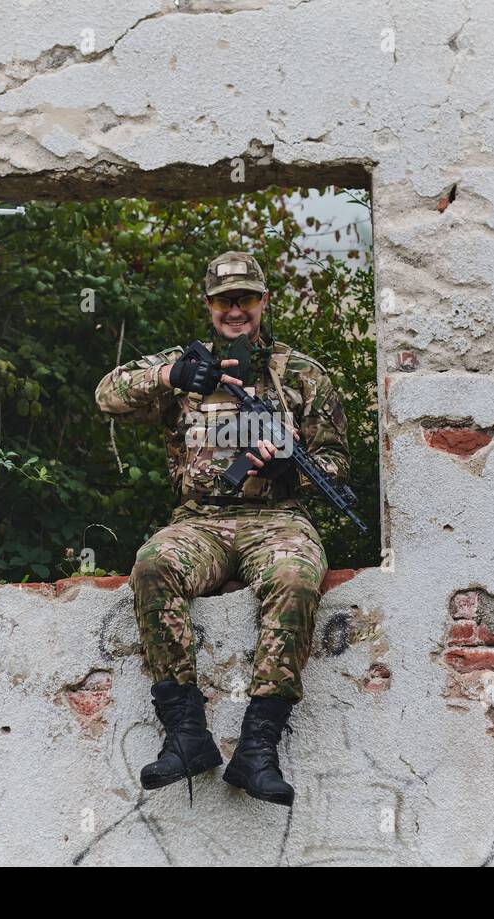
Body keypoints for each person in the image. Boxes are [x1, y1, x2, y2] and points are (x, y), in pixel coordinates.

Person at [94, 250, 350, 806]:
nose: (236, 311)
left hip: (277, 519)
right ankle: (186, 735)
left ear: (263, 302)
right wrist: (171, 375)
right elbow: (107, 395)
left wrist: (294, 469)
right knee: (153, 563)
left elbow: (336, 463)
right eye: (224, 300)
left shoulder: (302, 375)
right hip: (200, 522)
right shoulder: (186, 369)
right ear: (209, 305)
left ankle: (258, 747)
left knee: (297, 576)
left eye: (246, 299)